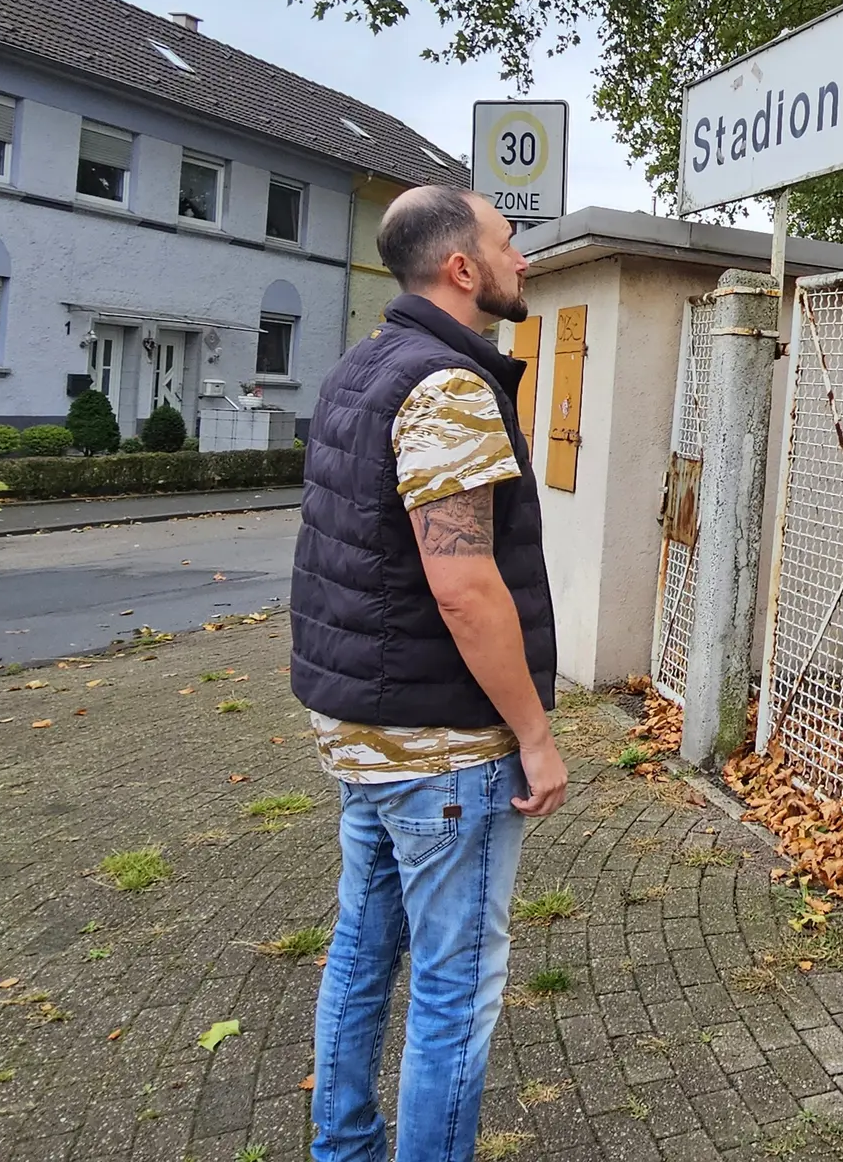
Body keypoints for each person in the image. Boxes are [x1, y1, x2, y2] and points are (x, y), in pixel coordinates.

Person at [290, 185, 567, 1162]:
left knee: (363, 947)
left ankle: (345, 1148)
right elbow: (462, 588)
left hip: (365, 729)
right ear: (461, 267)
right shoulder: (446, 386)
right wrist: (534, 734)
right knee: (454, 986)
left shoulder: (361, 366)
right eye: (507, 240)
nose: (521, 255)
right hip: (441, 746)